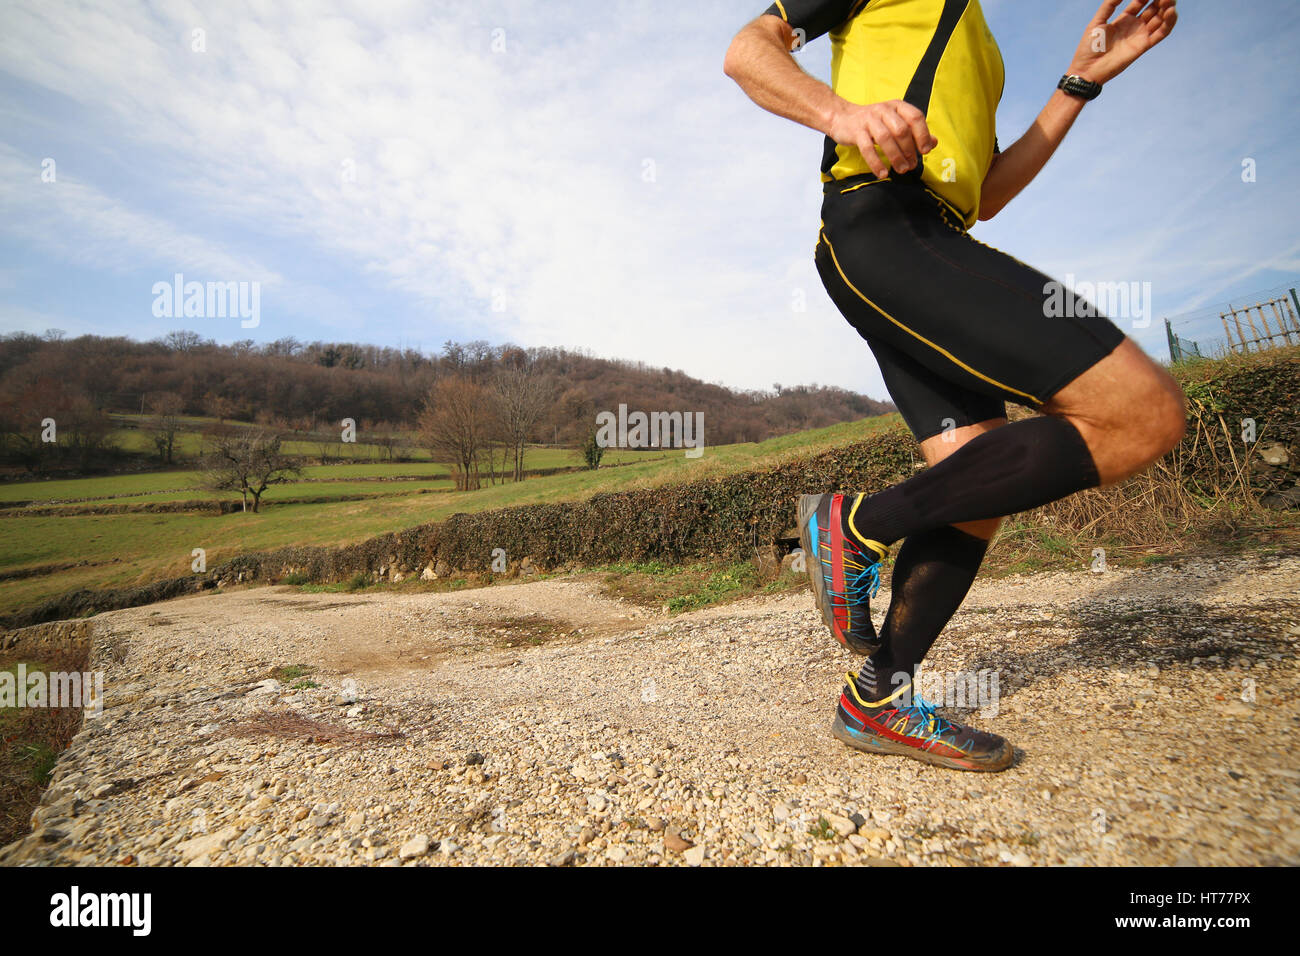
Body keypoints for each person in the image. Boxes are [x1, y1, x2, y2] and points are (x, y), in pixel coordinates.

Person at [724, 0, 1182, 771]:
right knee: (1145, 411)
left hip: (928, 236)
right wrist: (842, 114)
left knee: (980, 478)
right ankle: (856, 523)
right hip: (883, 226)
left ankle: (877, 700)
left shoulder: (984, 48)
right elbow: (747, 51)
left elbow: (986, 193)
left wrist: (1079, 81)